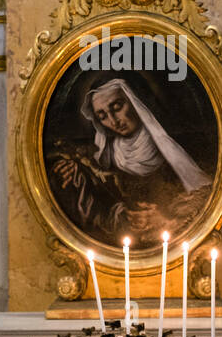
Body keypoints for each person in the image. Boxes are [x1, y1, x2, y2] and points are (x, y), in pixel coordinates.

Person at [49, 78, 212, 248]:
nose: (113, 121)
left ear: (136, 100)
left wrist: (168, 221)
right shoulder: (101, 158)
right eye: (102, 116)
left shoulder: (183, 146)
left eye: (117, 107)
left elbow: (204, 204)